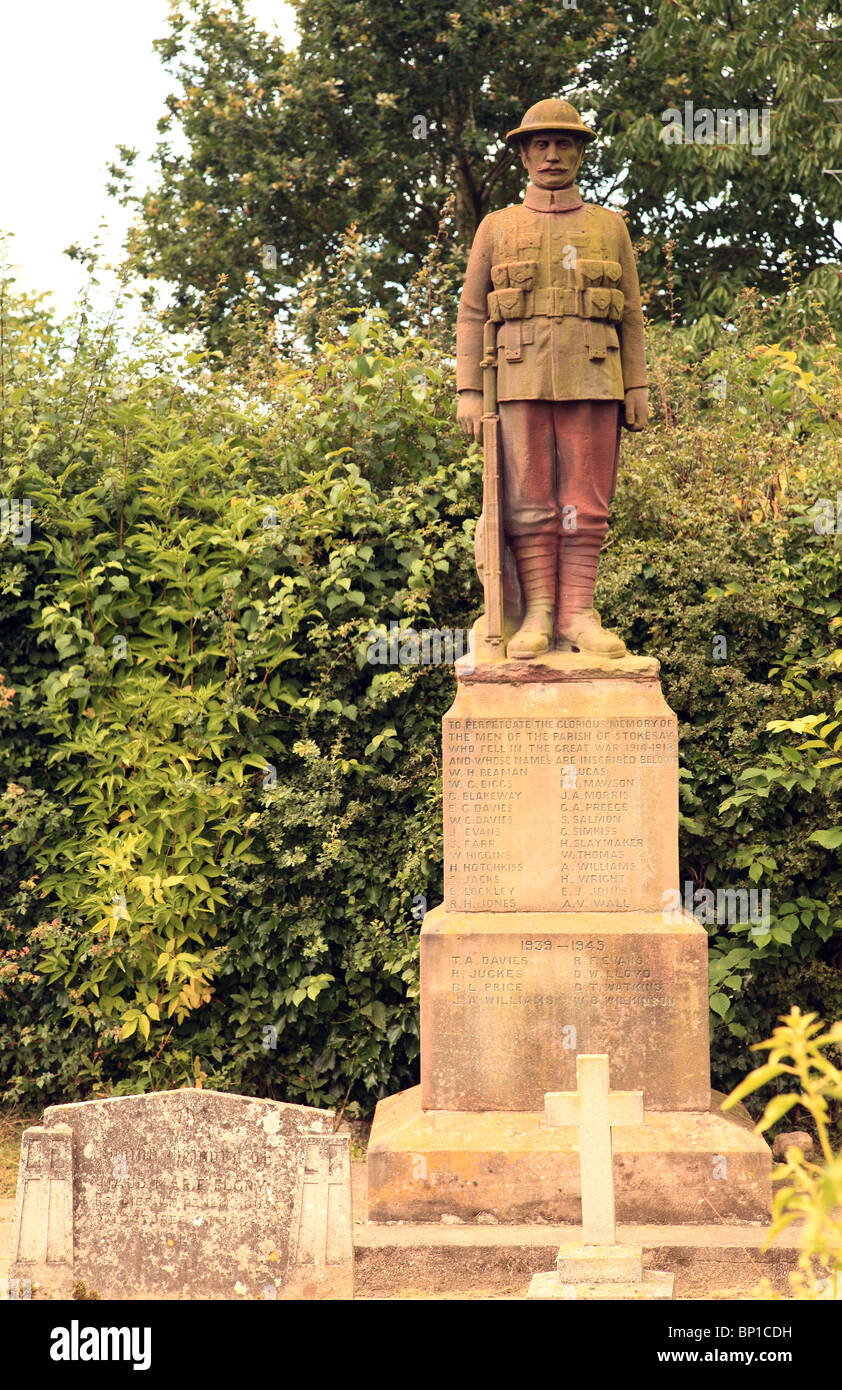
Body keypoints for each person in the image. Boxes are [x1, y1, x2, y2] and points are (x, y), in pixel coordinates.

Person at [456, 98, 649, 659]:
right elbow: (472, 313)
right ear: (522, 156)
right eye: (540, 144)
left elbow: (632, 313)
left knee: (586, 502)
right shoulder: (497, 227)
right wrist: (469, 390)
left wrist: (636, 386)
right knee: (529, 501)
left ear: (581, 153)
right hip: (517, 381)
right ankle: (537, 613)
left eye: (564, 143)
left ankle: (578, 614)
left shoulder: (609, 228)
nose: (552, 155)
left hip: (594, 375)